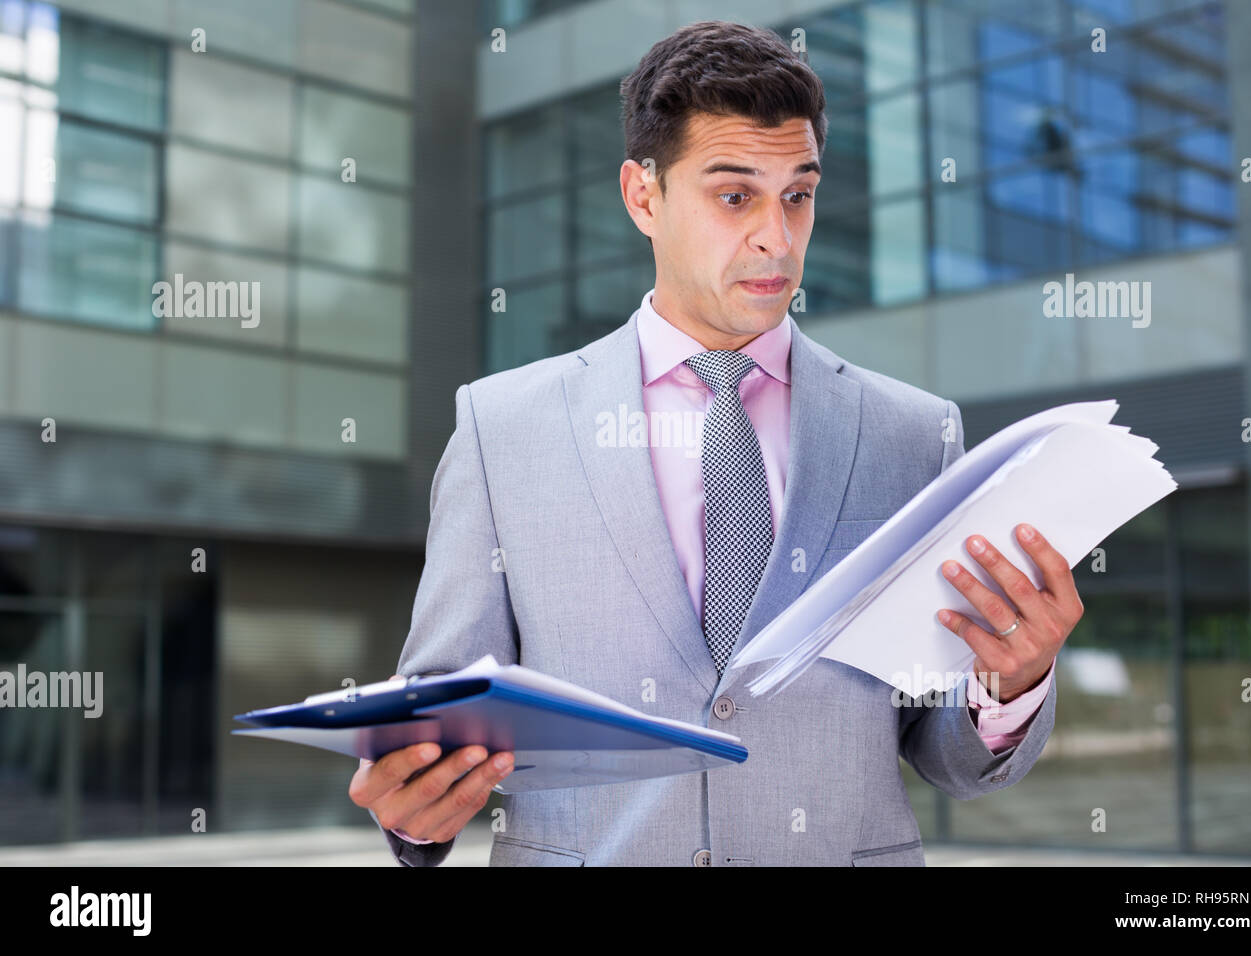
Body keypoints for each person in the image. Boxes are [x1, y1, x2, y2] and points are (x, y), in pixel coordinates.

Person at [348, 20, 1082, 866]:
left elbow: (943, 749)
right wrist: (415, 811)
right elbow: (441, 717)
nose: (777, 235)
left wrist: (1012, 679)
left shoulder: (913, 435)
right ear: (643, 196)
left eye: (798, 194)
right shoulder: (501, 427)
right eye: (736, 196)